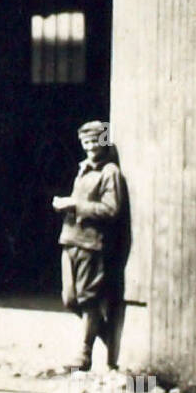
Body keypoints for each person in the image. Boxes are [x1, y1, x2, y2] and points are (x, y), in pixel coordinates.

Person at [52, 121, 131, 373]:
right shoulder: (83, 169)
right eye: (85, 142)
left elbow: (111, 208)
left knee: (88, 299)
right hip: (71, 239)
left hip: (92, 243)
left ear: (104, 142)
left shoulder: (110, 173)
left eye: (94, 141)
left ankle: (84, 356)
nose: (89, 147)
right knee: (70, 298)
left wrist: (74, 205)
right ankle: (111, 339)